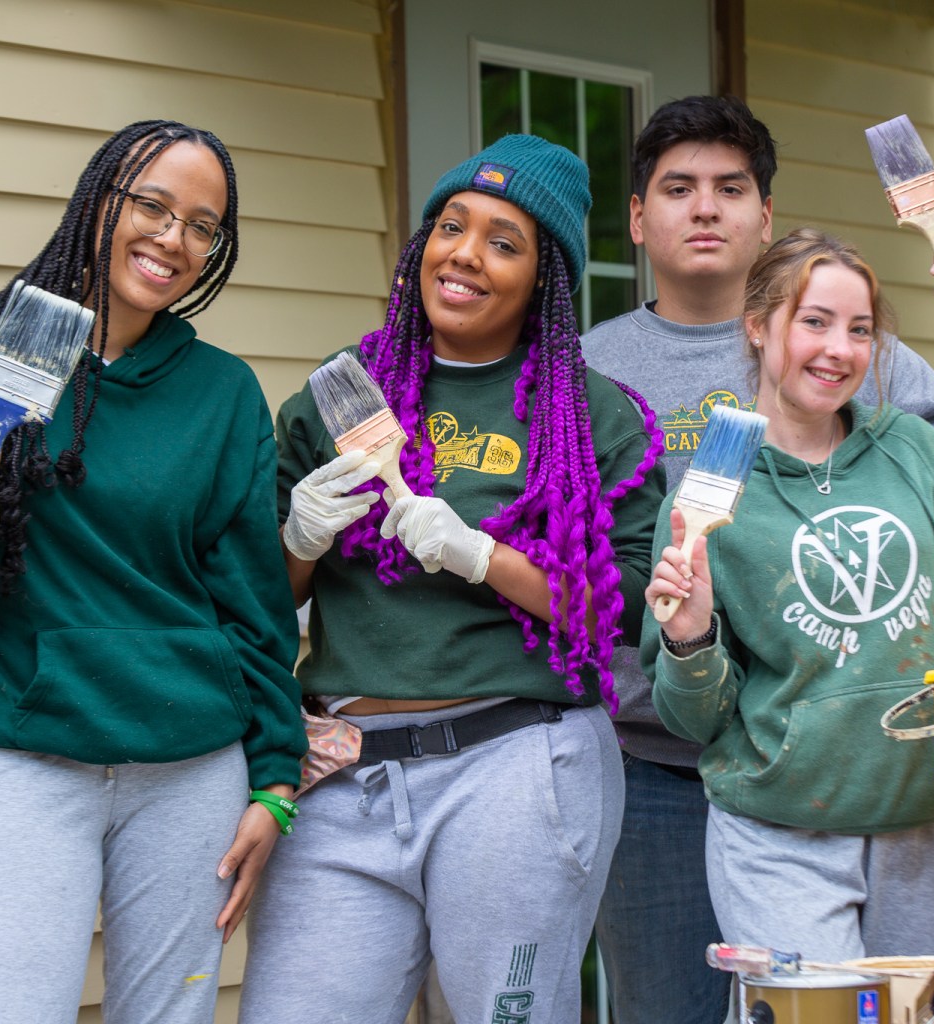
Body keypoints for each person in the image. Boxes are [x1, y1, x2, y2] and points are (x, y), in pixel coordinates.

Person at [581, 95, 934, 1023]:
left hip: (868, 765)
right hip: (656, 760)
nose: (706, 208)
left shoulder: (875, 372)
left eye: (730, 188)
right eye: (679, 187)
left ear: (765, 216)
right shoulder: (589, 369)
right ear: (638, 218)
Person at [0, 120, 303, 1024]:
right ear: (97, 200)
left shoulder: (221, 394)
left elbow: (253, 601)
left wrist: (275, 779)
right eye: (151, 205)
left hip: (191, 769)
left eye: (203, 225)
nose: (173, 238)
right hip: (28, 762)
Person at [239, 134, 665, 1024]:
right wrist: (301, 535)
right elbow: (262, 606)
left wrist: (481, 557)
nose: (464, 254)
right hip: (343, 774)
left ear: (545, 278)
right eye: (450, 226)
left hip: (514, 764)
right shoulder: (337, 399)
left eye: (503, 242)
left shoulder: (593, 417)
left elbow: (619, 613)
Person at [642, 227, 934, 964]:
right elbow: (695, 718)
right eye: (815, 321)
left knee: (920, 1018)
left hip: (924, 813)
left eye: (860, 329)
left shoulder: (911, 447)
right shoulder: (708, 497)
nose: (840, 348)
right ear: (757, 326)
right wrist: (690, 636)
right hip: (780, 830)